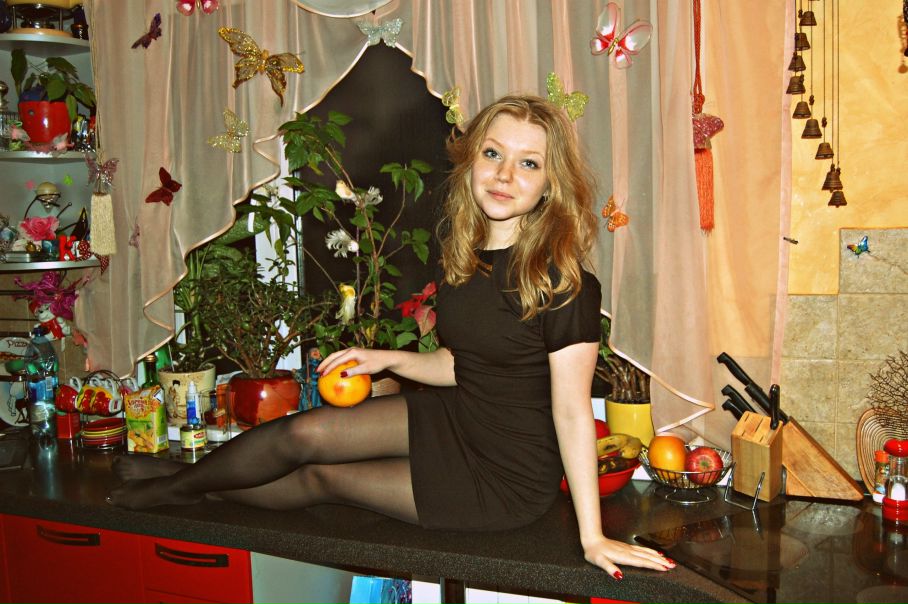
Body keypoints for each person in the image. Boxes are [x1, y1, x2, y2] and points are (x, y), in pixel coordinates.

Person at [108, 94, 674, 579]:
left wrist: (591, 537)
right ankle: (184, 479)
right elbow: (464, 364)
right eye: (493, 153)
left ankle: (175, 489)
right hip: (457, 418)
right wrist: (387, 358)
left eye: (529, 163)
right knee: (305, 432)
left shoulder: (564, 283)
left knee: (322, 478)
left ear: (550, 185)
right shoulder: (464, 256)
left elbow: (572, 411)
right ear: (471, 159)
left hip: (505, 476)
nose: (504, 175)